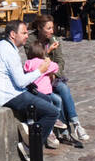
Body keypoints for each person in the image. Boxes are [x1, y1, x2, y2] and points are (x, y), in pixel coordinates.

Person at [0, 20, 63, 161]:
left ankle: (30, 126)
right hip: (9, 96)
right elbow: (20, 81)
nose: (27, 36)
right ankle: (31, 147)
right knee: (53, 112)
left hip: (2, 91)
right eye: (24, 33)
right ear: (13, 34)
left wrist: (29, 83)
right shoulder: (10, 52)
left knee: (46, 98)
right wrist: (40, 71)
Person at [26, 14, 89, 143]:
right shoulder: (30, 40)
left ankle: (75, 124)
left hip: (53, 75)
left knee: (63, 88)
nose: (52, 31)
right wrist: (48, 51)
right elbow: (33, 60)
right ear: (39, 28)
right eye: (48, 28)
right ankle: (65, 131)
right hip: (39, 77)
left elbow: (60, 61)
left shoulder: (54, 39)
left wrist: (54, 74)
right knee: (59, 97)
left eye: (52, 28)